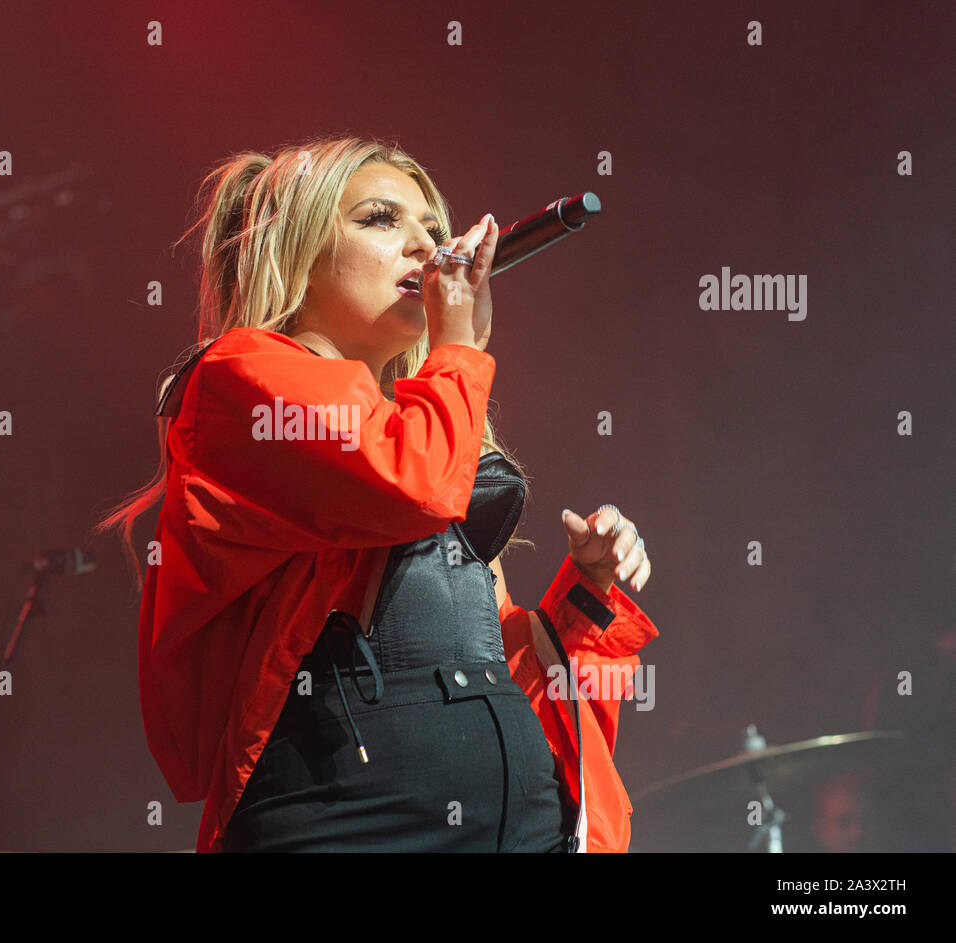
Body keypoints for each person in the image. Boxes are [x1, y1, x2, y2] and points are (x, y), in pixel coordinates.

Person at [97, 136, 660, 852]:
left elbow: (486, 653)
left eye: (432, 229)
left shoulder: (426, 425)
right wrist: (460, 346)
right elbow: (410, 485)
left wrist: (585, 593)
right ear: (296, 252)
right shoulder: (240, 381)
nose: (426, 248)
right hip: (352, 816)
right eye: (379, 219)